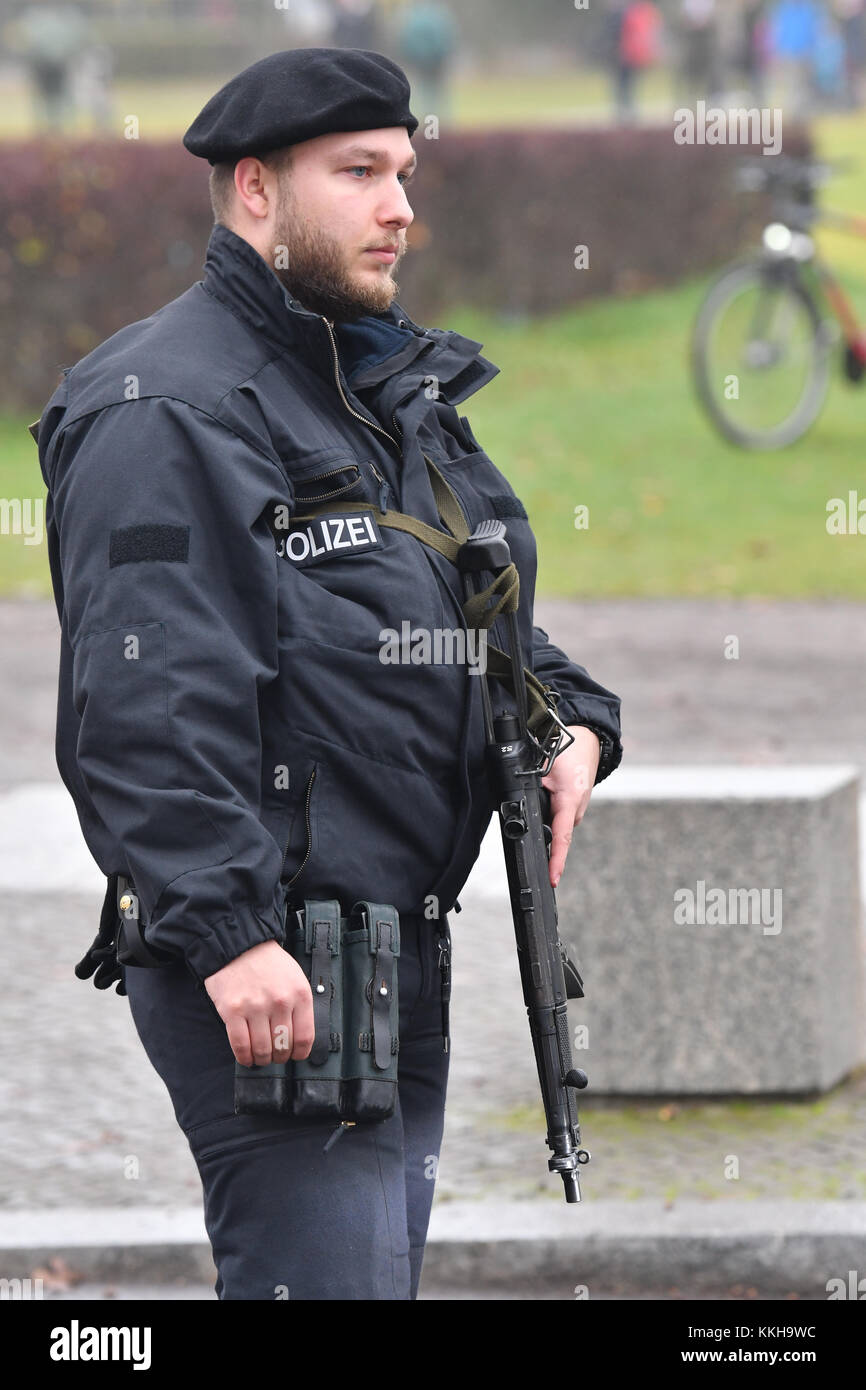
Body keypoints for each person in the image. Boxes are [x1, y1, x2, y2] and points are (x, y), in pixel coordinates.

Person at [31, 47, 623, 1301]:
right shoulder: (164, 404)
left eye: (403, 172)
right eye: (357, 173)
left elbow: (475, 604)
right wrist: (231, 931)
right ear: (254, 190)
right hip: (273, 969)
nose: (398, 205)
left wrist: (568, 721)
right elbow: (146, 698)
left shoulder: (378, 391)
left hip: (391, 949)